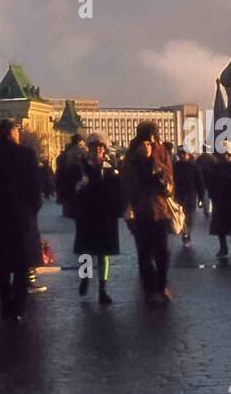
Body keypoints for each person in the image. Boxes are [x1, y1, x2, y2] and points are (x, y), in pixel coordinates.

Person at [0, 119, 44, 322]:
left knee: (2, 266)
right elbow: (35, 189)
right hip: (22, 219)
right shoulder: (26, 155)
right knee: (22, 266)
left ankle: (6, 306)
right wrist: (31, 211)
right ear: (12, 132)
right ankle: (19, 308)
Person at [124, 121, 176, 304]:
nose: (151, 141)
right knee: (144, 253)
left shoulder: (161, 151)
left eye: (153, 137)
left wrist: (150, 160)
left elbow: (168, 181)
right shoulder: (131, 155)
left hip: (160, 210)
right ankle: (149, 289)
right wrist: (143, 160)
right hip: (141, 211)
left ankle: (161, 285)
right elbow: (130, 183)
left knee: (163, 252)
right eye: (148, 137)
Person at [72, 132, 125, 305]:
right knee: (86, 253)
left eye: (100, 148)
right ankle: (85, 278)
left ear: (104, 150)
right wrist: (79, 187)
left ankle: (103, 289)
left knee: (104, 254)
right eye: (94, 149)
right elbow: (70, 188)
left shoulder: (111, 168)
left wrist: (119, 209)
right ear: (89, 150)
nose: (97, 152)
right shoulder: (81, 167)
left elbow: (118, 190)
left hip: (106, 216)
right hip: (87, 215)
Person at [208, 140, 231, 260]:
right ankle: (223, 248)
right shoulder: (217, 166)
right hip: (220, 201)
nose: (218, 156)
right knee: (221, 227)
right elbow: (211, 183)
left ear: (227, 153)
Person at [173, 147, 203, 248]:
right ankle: (185, 236)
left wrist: (201, 197)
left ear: (188, 154)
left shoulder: (194, 167)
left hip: (190, 196)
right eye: (180, 153)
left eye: (183, 153)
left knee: (189, 218)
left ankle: (187, 234)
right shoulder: (176, 166)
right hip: (179, 196)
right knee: (181, 217)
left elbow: (199, 183)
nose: (181, 155)